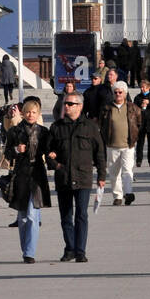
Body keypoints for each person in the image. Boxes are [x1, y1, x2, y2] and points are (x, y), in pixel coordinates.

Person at [47, 89, 106, 262]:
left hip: (83, 176)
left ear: (80, 106)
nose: (66, 106)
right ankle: (69, 248)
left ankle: (80, 251)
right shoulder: (56, 127)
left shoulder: (90, 127)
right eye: (65, 103)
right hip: (63, 176)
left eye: (70, 104)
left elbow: (100, 153)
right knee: (65, 215)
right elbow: (48, 150)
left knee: (81, 214)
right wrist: (55, 164)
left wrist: (101, 176)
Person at [4, 97, 52, 261]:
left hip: (37, 174)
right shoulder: (14, 131)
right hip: (20, 174)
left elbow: (49, 151)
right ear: (23, 114)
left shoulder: (43, 132)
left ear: (38, 114)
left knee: (32, 214)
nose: (30, 115)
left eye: (34, 112)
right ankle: (26, 249)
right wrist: (17, 150)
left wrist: (54, 159)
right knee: (22, 216)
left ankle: (30, 252)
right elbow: (7, 154)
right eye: (28, 112)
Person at [98, 81, 141, 205]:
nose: (118, 94)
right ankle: (117, 196)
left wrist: (135, 136)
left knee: (127, 170)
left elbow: (139, 123)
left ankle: (128, 193)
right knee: (113, 172)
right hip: (112, 145)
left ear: (125, 93)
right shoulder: (106, 108)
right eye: (115, 92)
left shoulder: (133, 108)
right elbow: (101, 124)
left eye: (120, 92)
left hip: (128, 145)